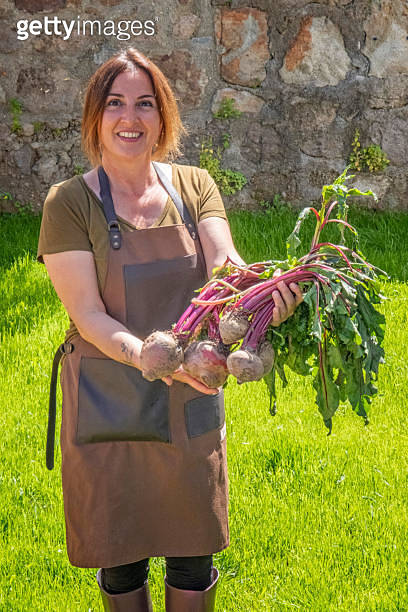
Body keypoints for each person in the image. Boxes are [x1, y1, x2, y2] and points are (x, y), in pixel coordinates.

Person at [37, 47, 302, 611]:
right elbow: (87, 314)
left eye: (145, 104)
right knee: (121, 556)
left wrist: (260, 297)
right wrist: (150, 358)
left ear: (163, 117)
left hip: (190, 394)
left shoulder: (194, 186)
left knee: (192, 552)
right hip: (111, 396)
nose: (130, 118)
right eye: (115, 104)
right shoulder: (68, 204)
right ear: (95, 117)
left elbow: (225, 263)